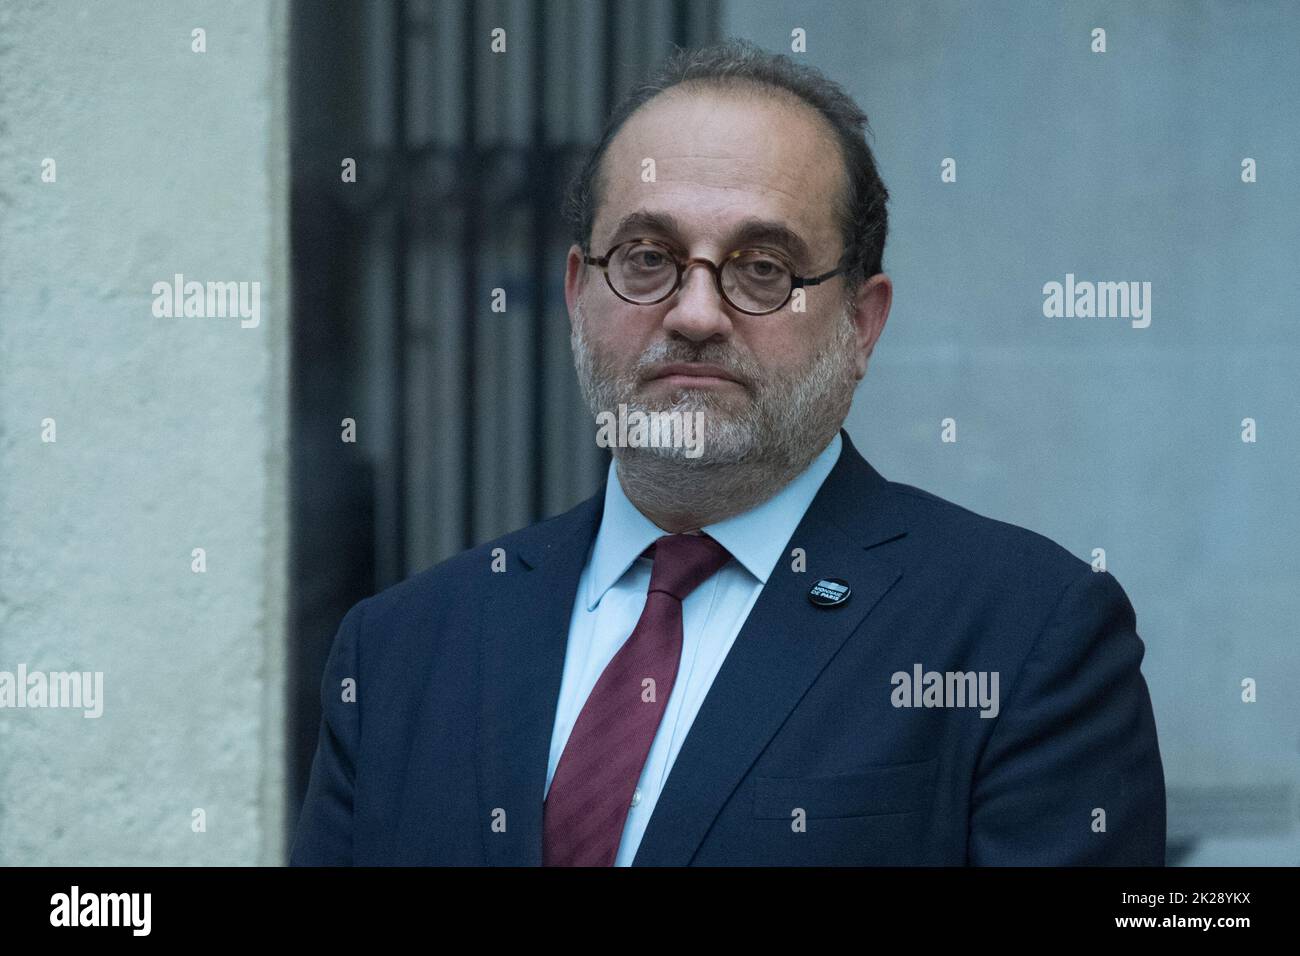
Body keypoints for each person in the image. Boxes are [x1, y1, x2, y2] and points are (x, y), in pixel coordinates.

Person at [291, 39, 1165, 866]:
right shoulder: (402, 650)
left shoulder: (1021, 636)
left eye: (762, 269)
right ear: (577, 293)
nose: (696, 315)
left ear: (861, 323)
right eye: (646, 257)